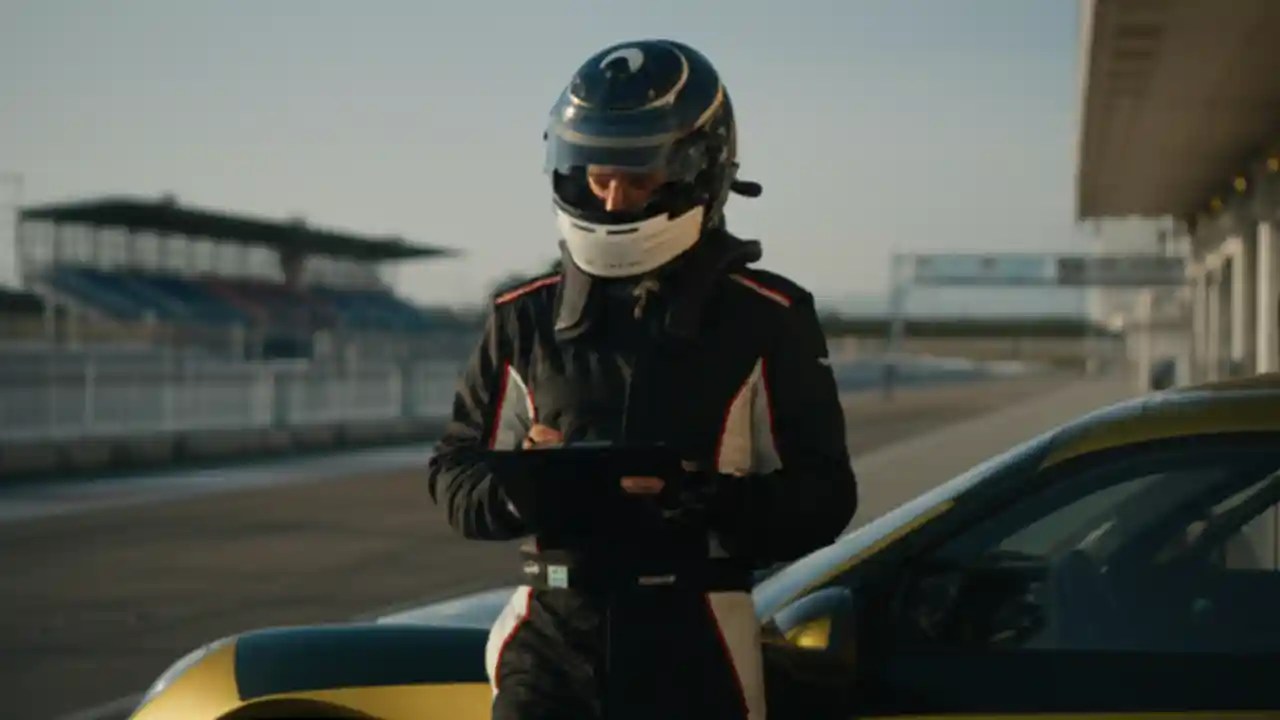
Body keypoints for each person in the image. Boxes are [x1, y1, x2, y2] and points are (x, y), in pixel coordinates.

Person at [427, 38, 858, 720]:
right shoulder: (522, 317)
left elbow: (827, 497)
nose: (614, 195)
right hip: (549, 641)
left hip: (698, 638)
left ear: (699, 170)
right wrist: (529, 484)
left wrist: (700, 498)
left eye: (639, 176)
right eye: (598, 172)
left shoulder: (768, 317)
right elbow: (452, 475)